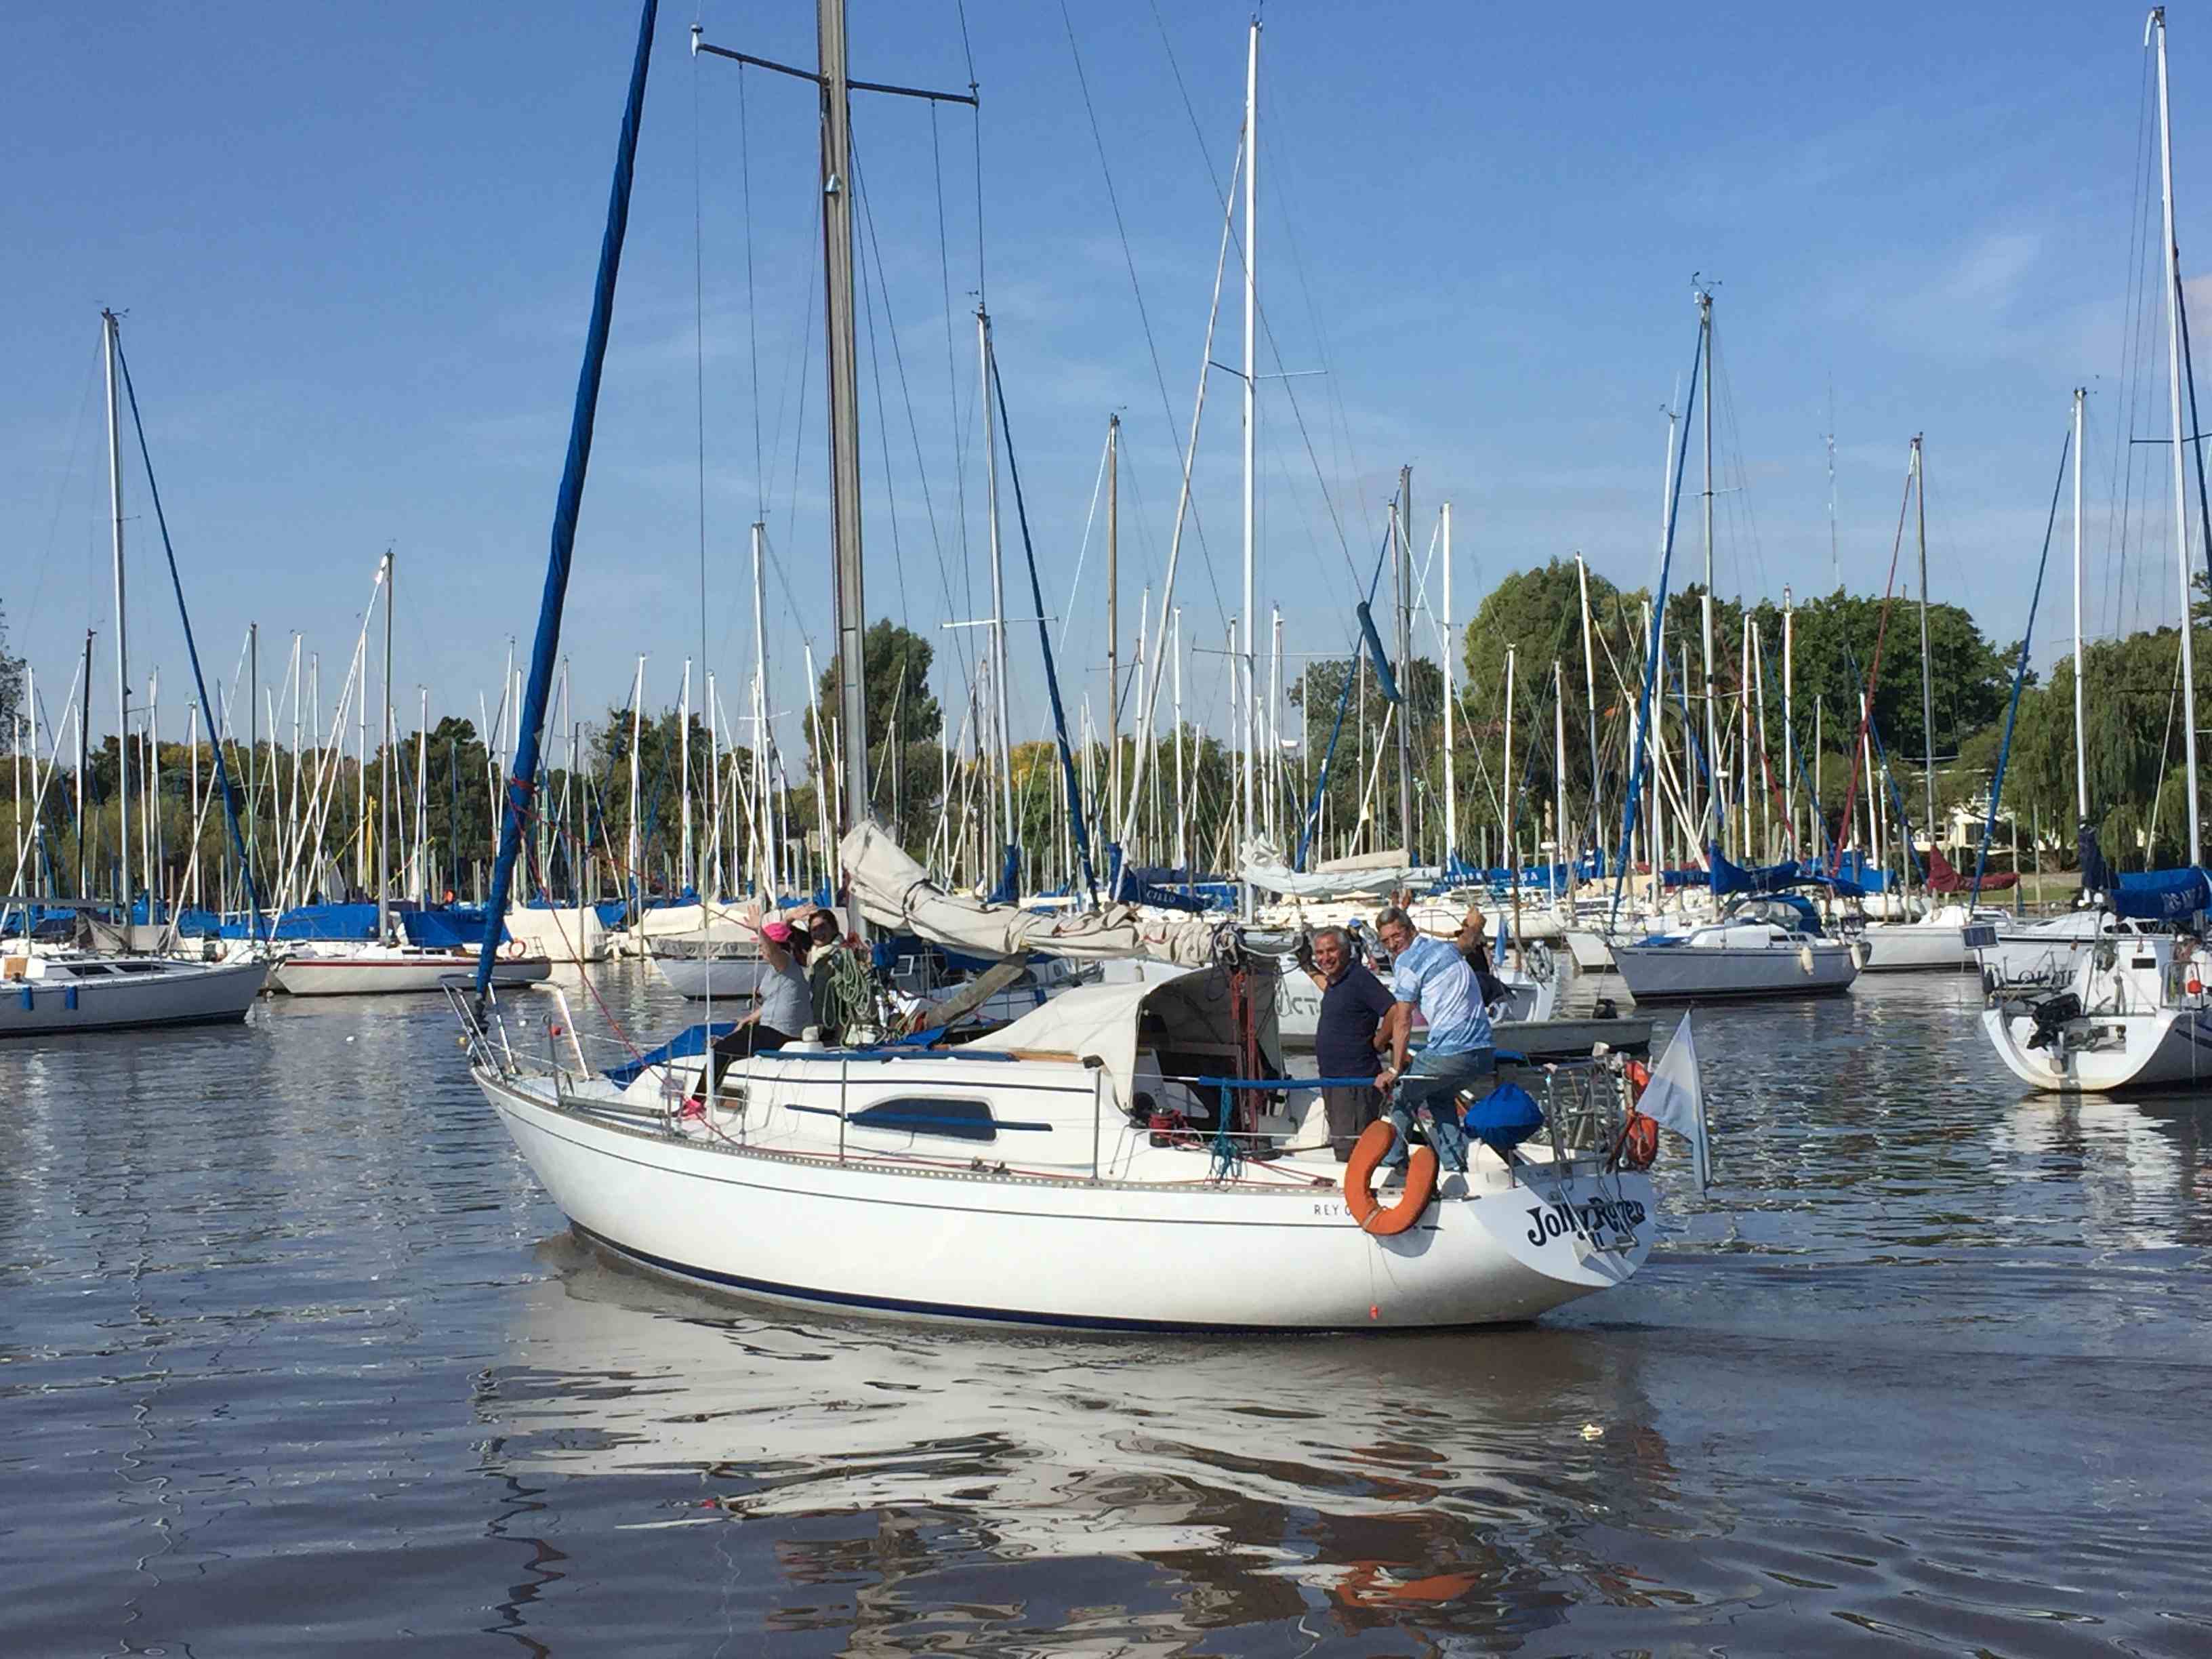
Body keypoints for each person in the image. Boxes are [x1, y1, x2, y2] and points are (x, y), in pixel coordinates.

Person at [1374, 903, 1494, 1172]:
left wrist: (1394, 1069)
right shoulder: (1445, 948)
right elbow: (1469, 940)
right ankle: (1455, 1168)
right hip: (1484, 1050)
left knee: (1402, 1094)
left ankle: (1392, 1164)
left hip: (1452, 1050)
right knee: (1440, 1095)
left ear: (1412, 931)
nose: (1392, 945)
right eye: (1386, 941)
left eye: (1397, 936)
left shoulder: (1406, 963)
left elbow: (1403, 1019)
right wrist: (1476, 924)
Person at [1302, 926, 1394, 1161]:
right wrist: (1306, 965)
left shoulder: (1359, 978)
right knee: (1342, 1142)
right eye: (1320, 953)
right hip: (1333, 1079)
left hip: (1353, 1081)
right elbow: (1327, 985)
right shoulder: (1338, 981)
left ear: (1345, 951)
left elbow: (1393, 1010)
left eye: (1331, 951)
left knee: (1351, 1149)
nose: (1325, 958)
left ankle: (1356, 1193)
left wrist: (1380, 1041)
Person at [1456, 906, 1511, 1009]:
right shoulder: (1463, 935)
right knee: (1478, 983)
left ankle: (1486, 1004)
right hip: (1473, 965)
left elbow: (1486, 952)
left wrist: (1490, 965)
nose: (1464, 929)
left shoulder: (1478, 937)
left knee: (1481, 983)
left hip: (1479, 964)